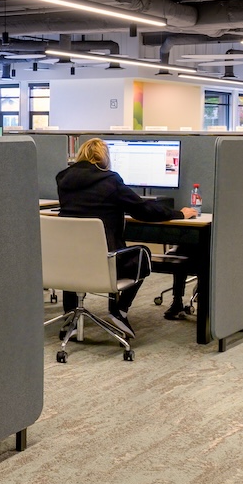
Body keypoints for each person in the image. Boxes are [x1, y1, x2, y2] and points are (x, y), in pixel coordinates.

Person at [55, 138, 197, 338]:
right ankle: (119, 311)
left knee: (75, 251)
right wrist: (180, 214)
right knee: (143, 254)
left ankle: (70, 316)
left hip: (70, 263)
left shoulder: (63, 180)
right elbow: (143, 211)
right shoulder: (110, 181)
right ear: (104, 158)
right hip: (105, 263)